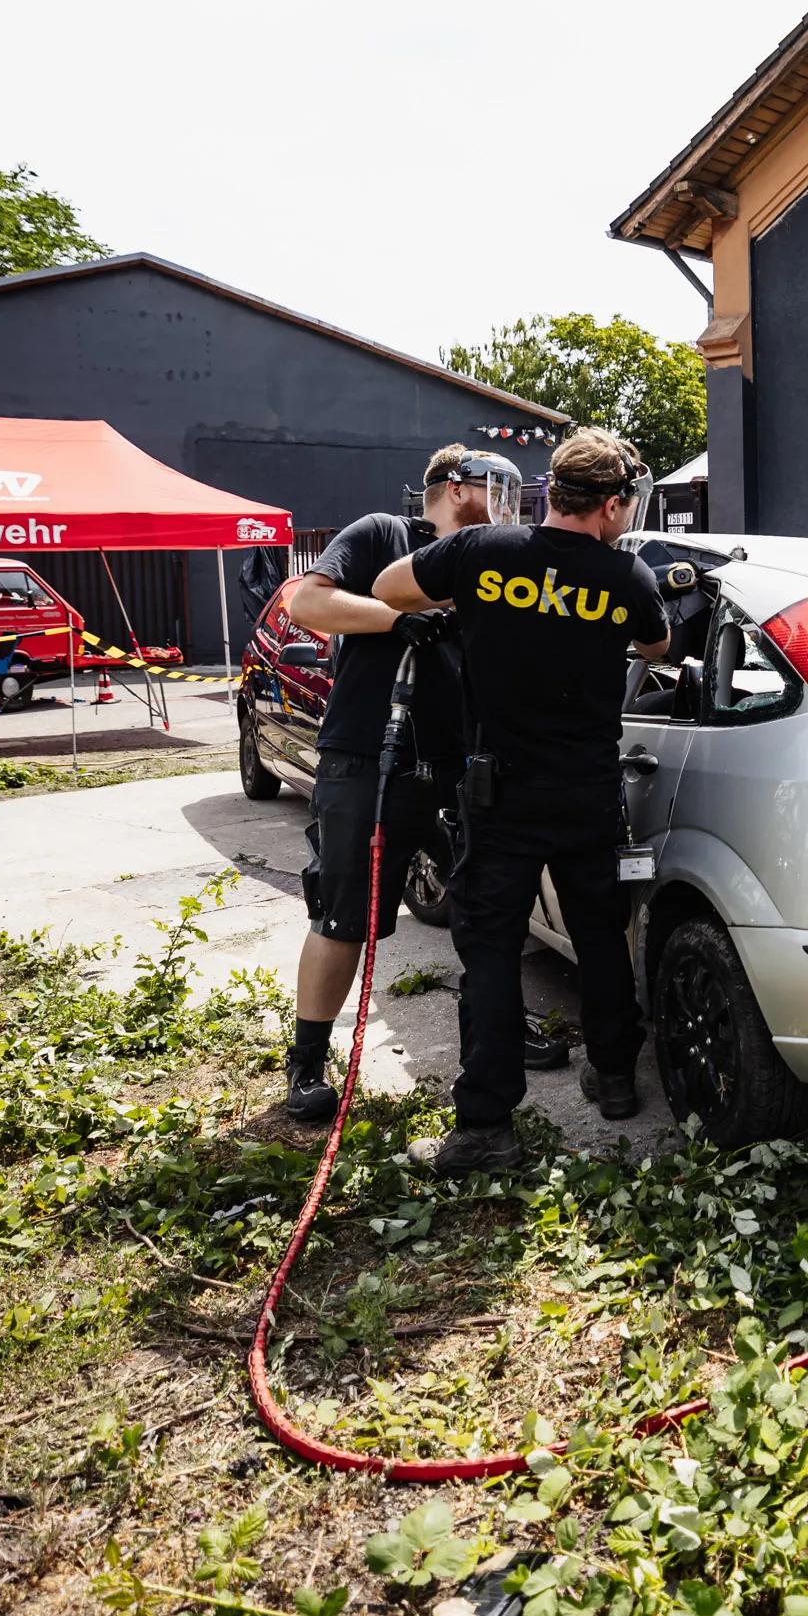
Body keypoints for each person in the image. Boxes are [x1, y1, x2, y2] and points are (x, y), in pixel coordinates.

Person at [377, 427, 668, 1176]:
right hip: (585, 793)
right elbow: (659, 647)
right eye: (627, 504)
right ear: (609, 504)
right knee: (600, 936)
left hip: (500, 796)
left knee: (492, 951)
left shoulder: (483, 554)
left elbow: (387, 590)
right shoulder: (626, 576)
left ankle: (485, 1129)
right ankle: (612, 1079)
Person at [277, 444, 534, 1126]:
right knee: (344, 915)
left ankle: (502, 1033)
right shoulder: (382, 536)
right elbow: (309, 602)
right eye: (493, 488)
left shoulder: (495, 559)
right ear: (454, 488)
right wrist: (397, 618)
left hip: (460, 766)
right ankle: (307, 1062)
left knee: (488, 914)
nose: (506, 505)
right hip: (368, 758)